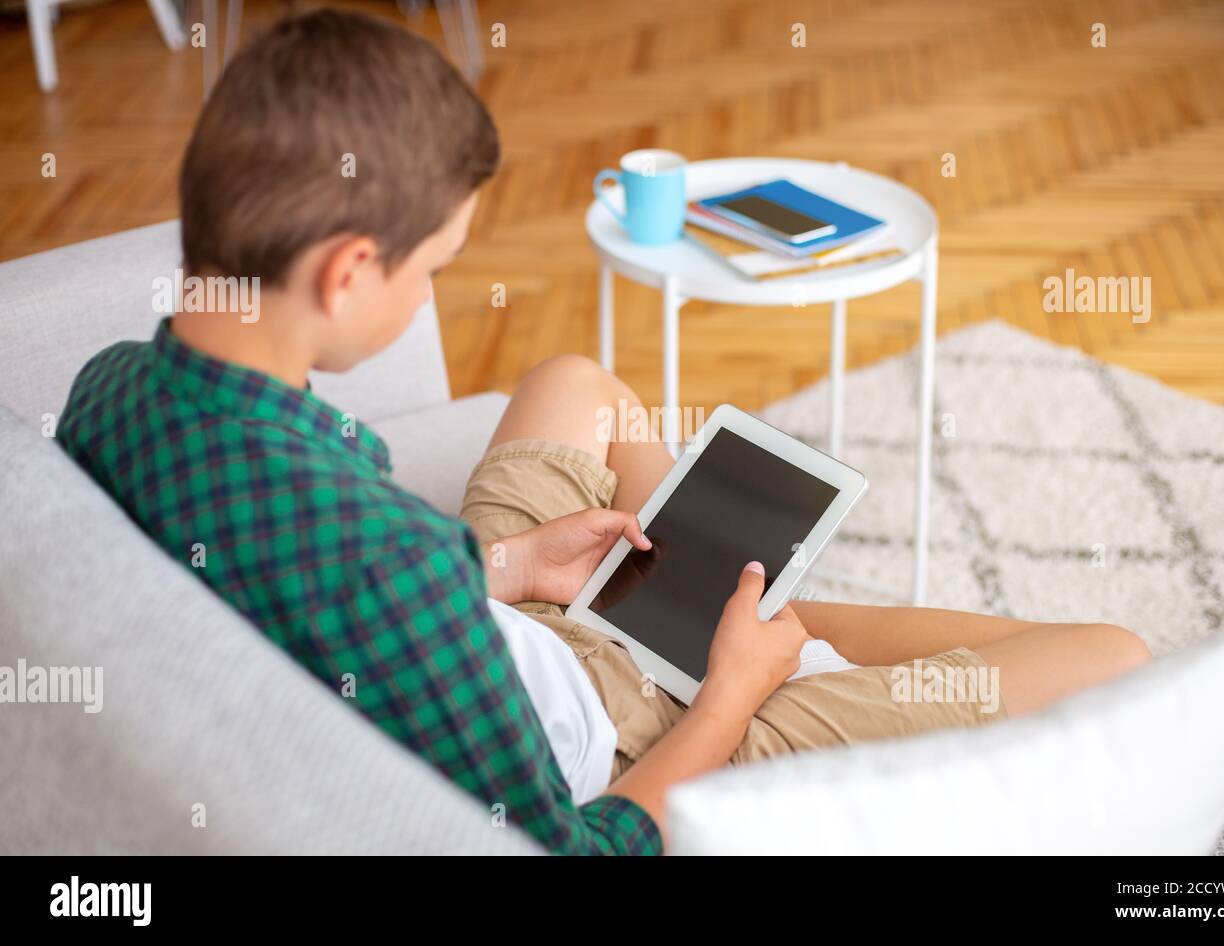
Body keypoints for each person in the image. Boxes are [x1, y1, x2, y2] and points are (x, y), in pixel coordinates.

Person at [56, 10, 1150, 855]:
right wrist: (726, 696)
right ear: (348, 270)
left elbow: (323, 576)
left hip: (497, 627)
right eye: (433, 266)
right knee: (1115, 658)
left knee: (576, 380)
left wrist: (514, 562)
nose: (431, 286)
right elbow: (585, 846)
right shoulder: (399, 569)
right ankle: (761, 637)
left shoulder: (109, 394)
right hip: (620, 739)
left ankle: (746, 612)